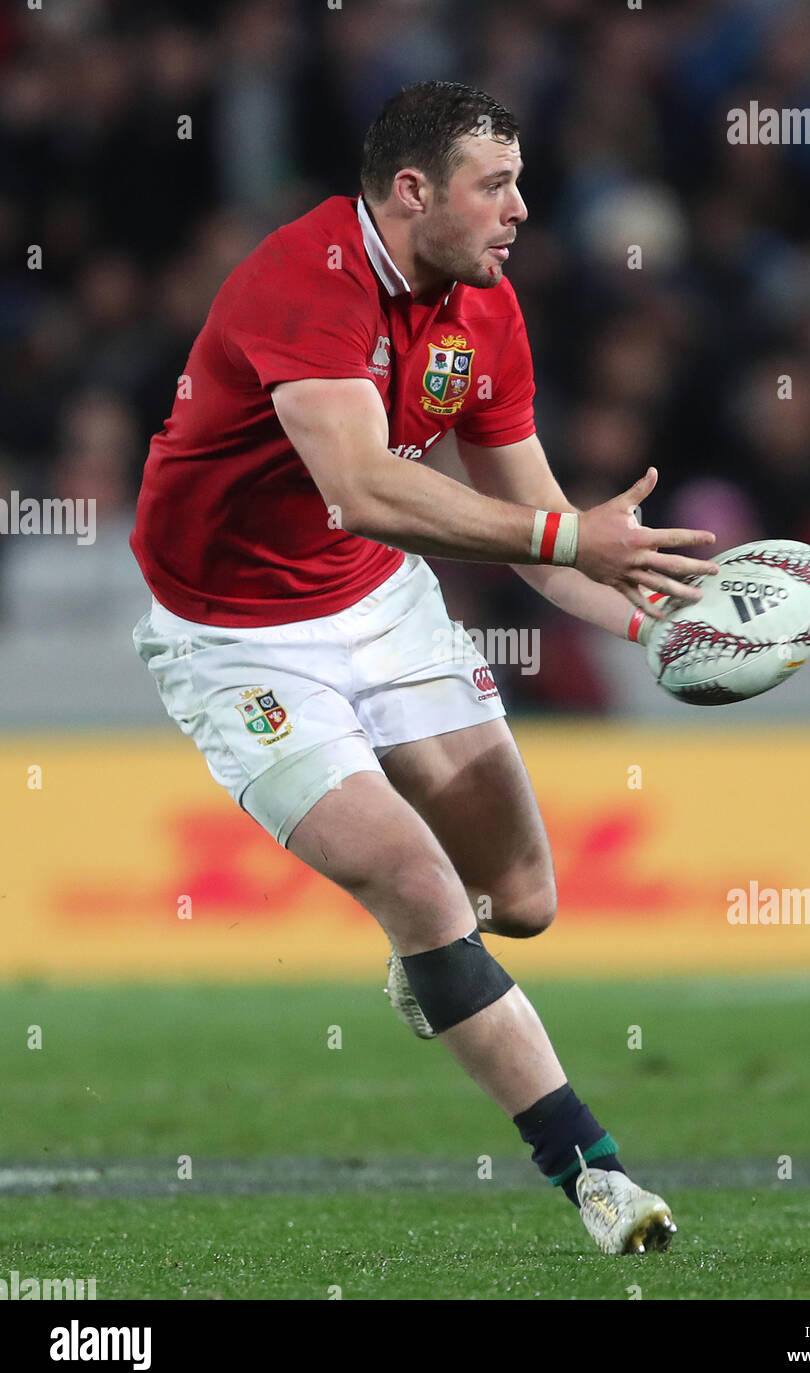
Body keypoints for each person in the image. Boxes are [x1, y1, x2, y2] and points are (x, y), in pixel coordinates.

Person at [131, 80, 718, 1253]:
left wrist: (667, 625)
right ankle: (595, 1173)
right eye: (494, 186)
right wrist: (567, 536)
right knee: (416, 881)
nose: (522, 209)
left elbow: (548, 535)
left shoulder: (485, 313)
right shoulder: (304, 280)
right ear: (412, 192)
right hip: (238, 637)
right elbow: (364, 484)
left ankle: (435, 967)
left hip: (380, 604)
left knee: (524, 904)